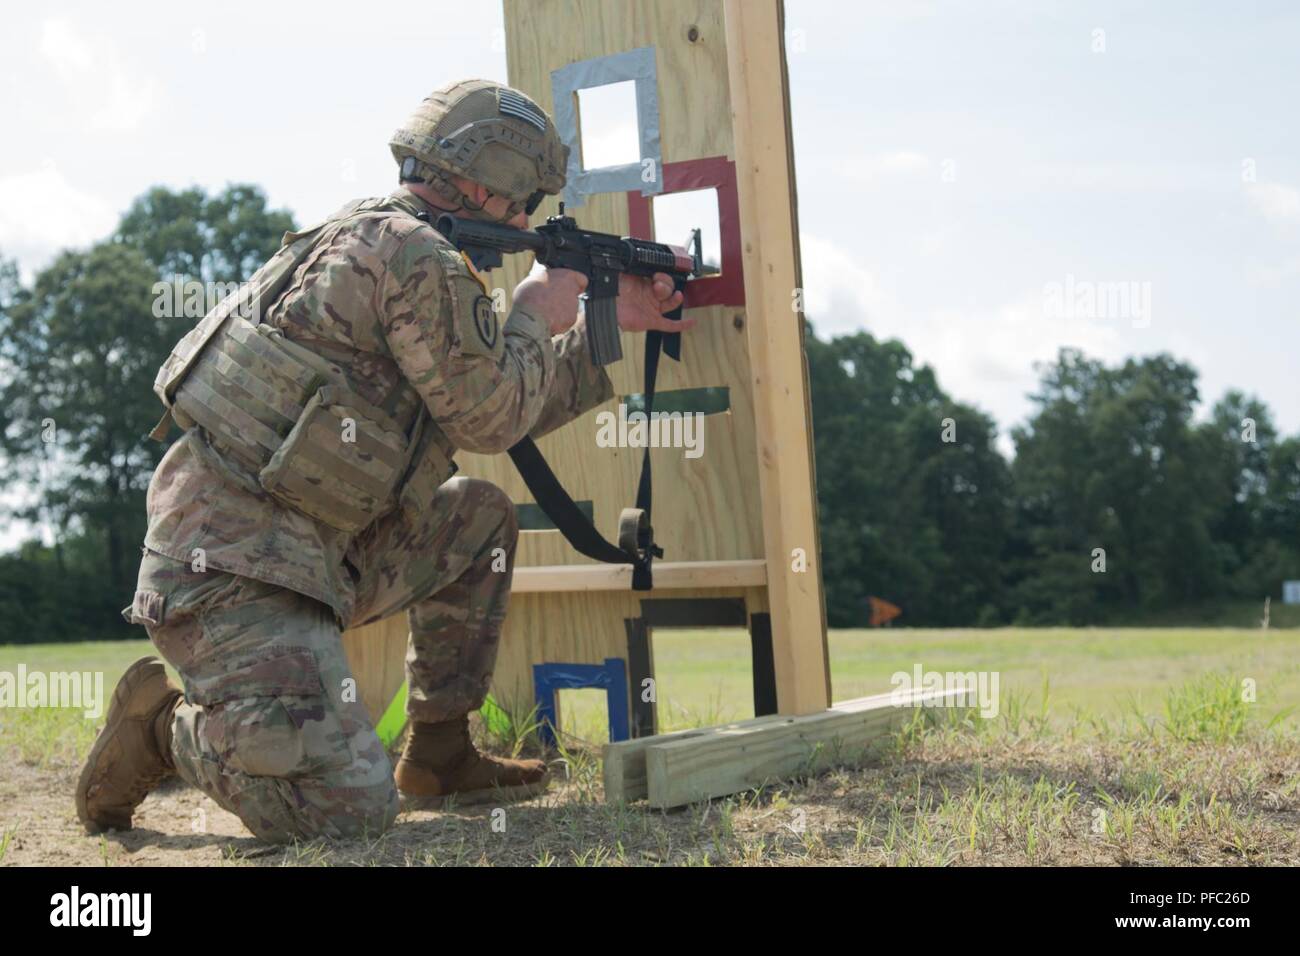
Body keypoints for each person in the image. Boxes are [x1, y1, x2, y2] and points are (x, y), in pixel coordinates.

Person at [75, 79, 689, 843]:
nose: (526, 219)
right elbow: (492, 414)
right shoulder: (415, 255)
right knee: (349, 806)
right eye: (520, 195)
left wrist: (613, 317)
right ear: (477, 178)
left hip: (319, 551)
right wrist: (534, 310)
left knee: (478, 517)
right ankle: (161, 731)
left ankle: (439, 751)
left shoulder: (381, 237)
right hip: (232, 573)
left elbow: (486, 398)